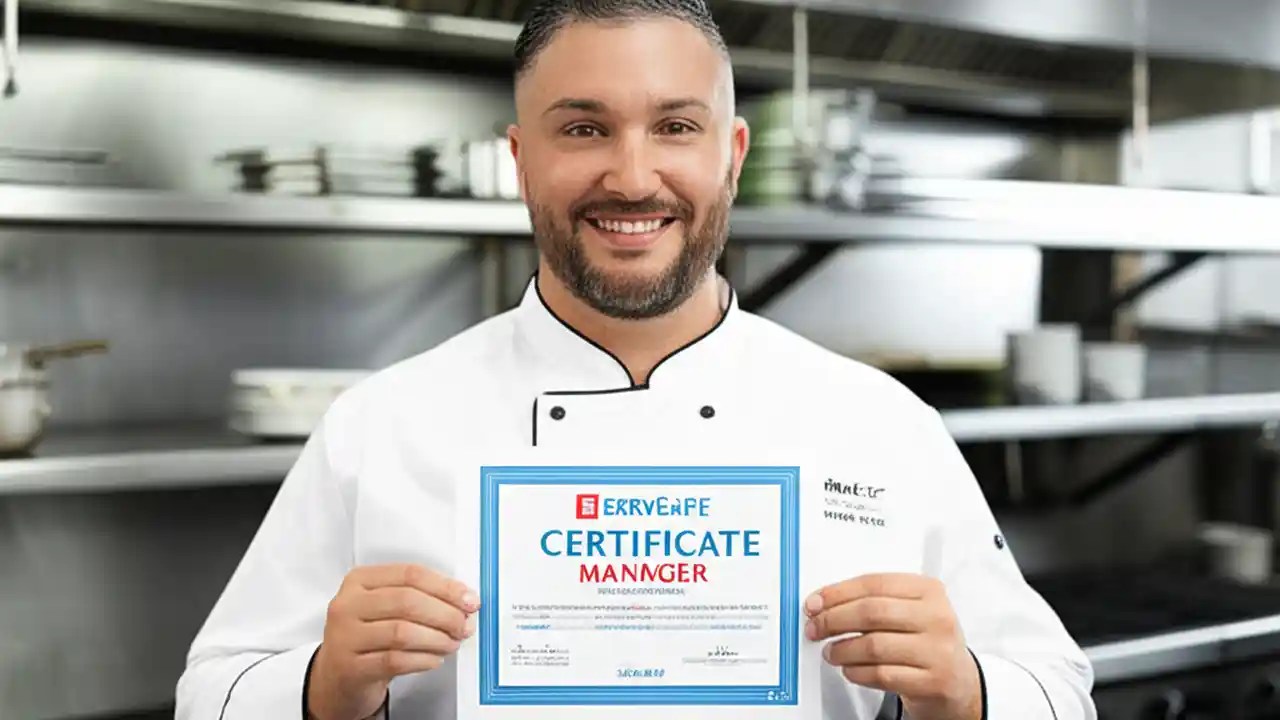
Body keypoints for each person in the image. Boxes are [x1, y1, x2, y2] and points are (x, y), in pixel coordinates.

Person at [175, 0, 1096, 717]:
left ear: (731, 156)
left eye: (675, 127)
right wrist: (321, 686)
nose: (631, 176)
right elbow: (209, 692)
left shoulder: (881, 424)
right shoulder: (380, 428)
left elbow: (1059, 689)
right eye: (582, 128)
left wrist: (968, 689)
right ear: (521, 159)